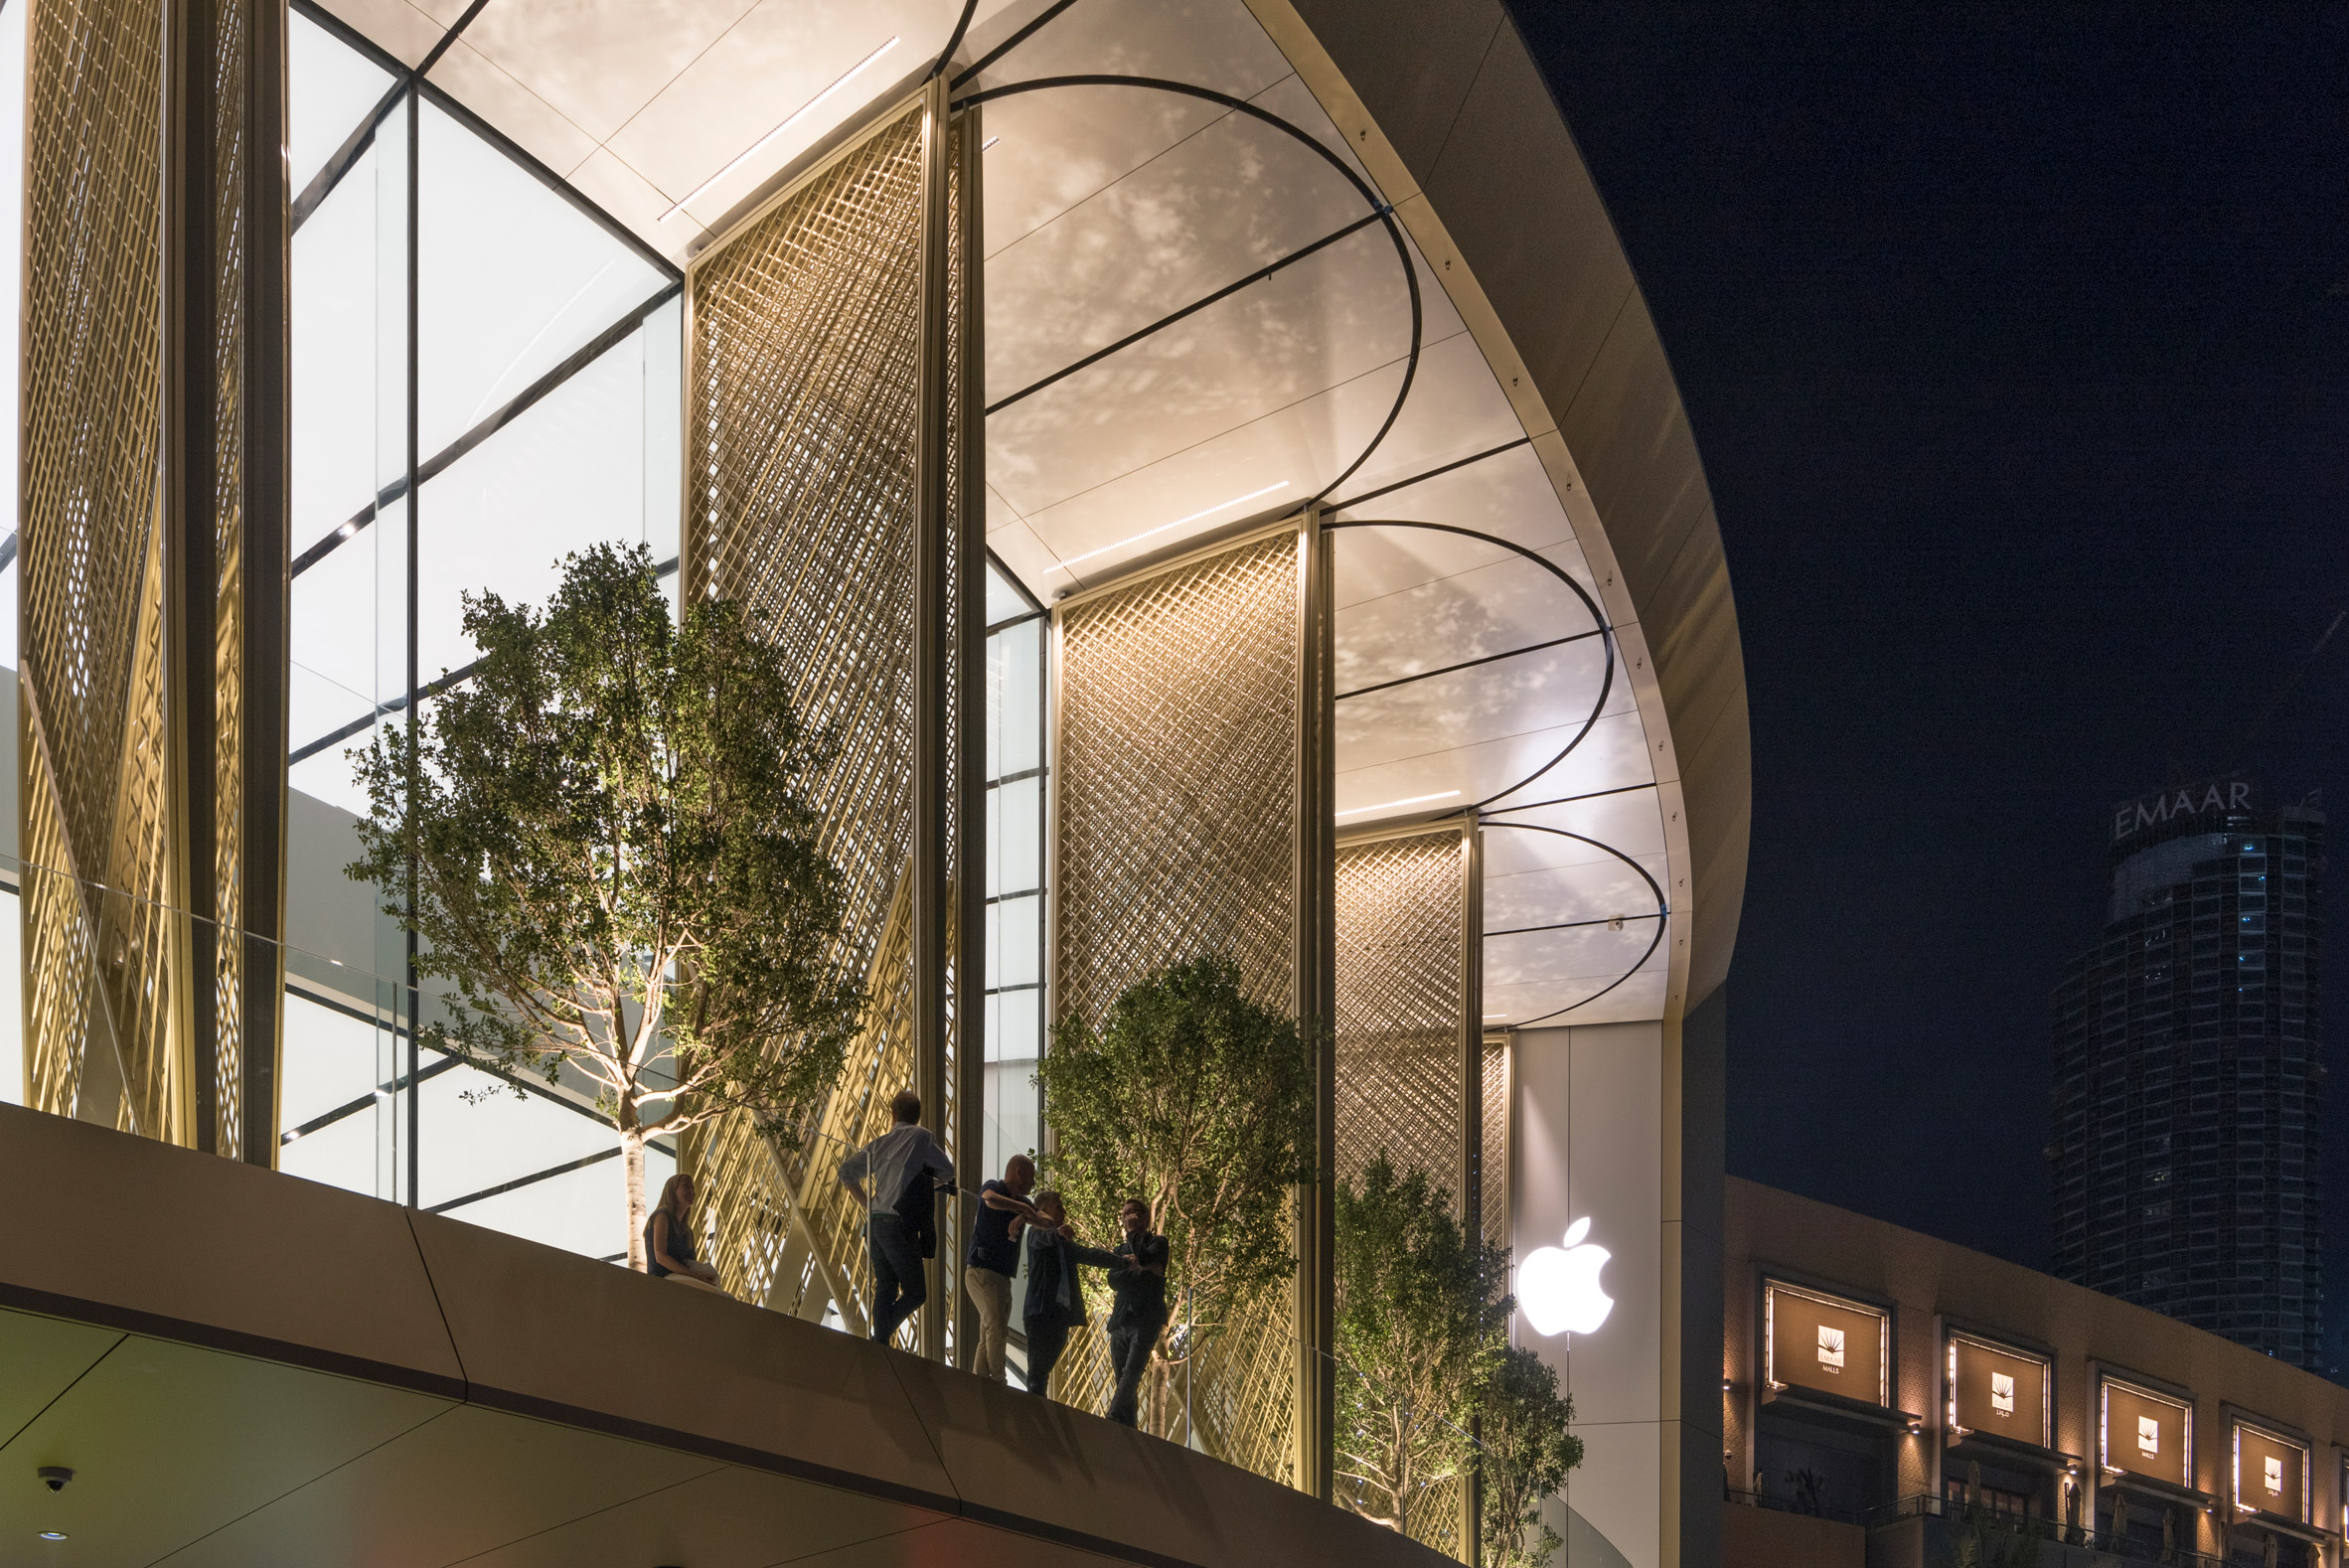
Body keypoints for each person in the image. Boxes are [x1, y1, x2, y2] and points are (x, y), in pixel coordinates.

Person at [838, 1089, 954, 1345]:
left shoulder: (879, 1144)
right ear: (917, 1115)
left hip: (875, 1225)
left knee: (886, 1286)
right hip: (899, 1226)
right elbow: (947, 1172)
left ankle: (879, 1344)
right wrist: (923, 1183)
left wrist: (867, 1203)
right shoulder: (922, 1137)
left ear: (892, 1114)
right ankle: (879, 1340)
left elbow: (846, 1171)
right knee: (916, 1293)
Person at [1018, 1190, 1120, 1399]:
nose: (1064, 1211)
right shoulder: (1036, 1232)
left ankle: (1037, 1403)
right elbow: (1044, 1238)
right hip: (1040, 1313)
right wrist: (1057, 1233)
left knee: (1044, 1367)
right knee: (1038, 1370)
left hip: (1058, 1314)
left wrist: (1122, 1261)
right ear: (1044, 1210)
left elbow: (1089, 1255)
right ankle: (1034, 1406)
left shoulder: (1063, 1243)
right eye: (1058, 1207)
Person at [964, 1154, 1044, 1383]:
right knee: (996, 1326)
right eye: (1031, 1176)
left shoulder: (1024, 1205)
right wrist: (1024, 1210)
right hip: (982, 1271)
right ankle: (998, 1381)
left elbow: (1046, 1221)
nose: (1033, 1183)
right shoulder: (993, 1187)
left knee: (990, 1329)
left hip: (1001, 1276)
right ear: (1019, 1173)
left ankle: (980, 1379)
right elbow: (989, 1199)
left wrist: (1023, 1216)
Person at [1103, 1196, 1170, 1427]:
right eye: (1125, 1214)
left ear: (1145, 1217)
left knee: (1132, 1372)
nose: (1128, 1217)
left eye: (1133, 1213)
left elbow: (1145, 1257)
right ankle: (1128, 1429)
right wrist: (1142, 1271)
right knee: (1121, 1377)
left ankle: (1112, 1417)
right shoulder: (1120, 1250)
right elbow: (1113, 1279)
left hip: (1146, 1319)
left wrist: (1133, 1237)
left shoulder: (1159, 1243)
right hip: (1120, 1319)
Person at [645, 1173, 728, 1296]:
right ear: (672, 1191)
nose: (692, 1191)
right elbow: (661, 1256)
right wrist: (697, 1277)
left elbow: (691, 1263)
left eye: (692, 1188)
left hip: (679, 1277)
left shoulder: (687, 1231)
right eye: (686, 1186)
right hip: (663, 1278)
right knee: (719, 1296)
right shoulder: (662, 1216)